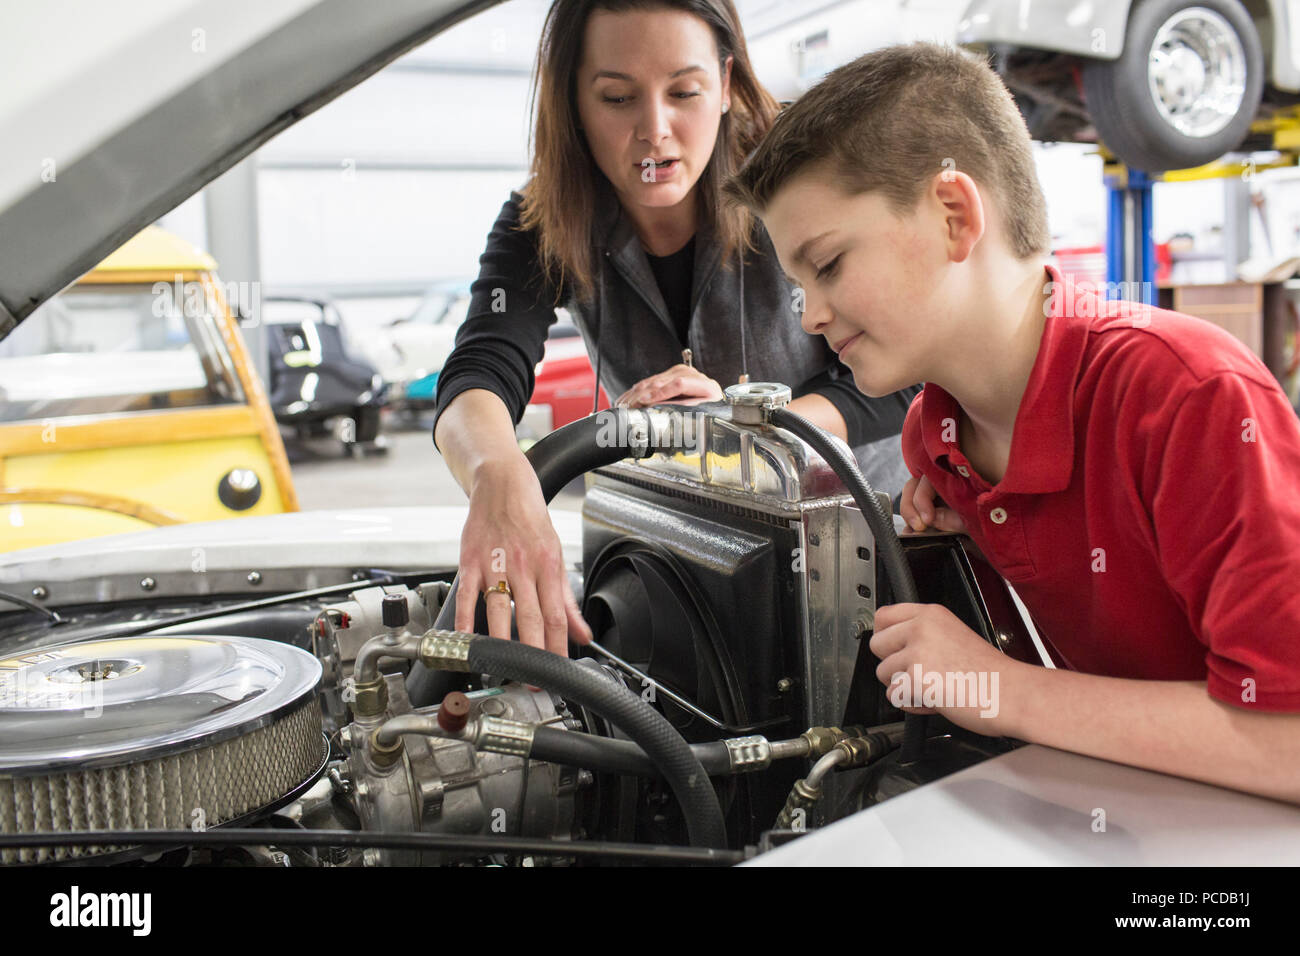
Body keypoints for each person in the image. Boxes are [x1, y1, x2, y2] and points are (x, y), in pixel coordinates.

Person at [726, 42, 1300, 803]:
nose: (815, 315)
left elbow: (1286, 744)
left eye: (828, 265)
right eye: (798, 286)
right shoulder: (936, 441)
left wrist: (997, 687)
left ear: (956, 215)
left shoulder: (1187, 396)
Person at [433, 0, 919, 657]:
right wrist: (498, 474)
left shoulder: (804, 177)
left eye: (684, 91)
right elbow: (481, 365)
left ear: (725, 82)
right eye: (616, 97)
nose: (654, 130)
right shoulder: (542, 217)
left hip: (868, 545)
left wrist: (736, 425)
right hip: (701, 558)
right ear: (572, 97)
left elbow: (906, 374)